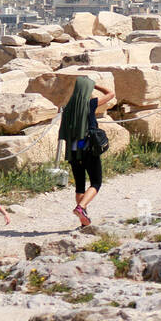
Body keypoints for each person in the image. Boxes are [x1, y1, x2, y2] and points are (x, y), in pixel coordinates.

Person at [58, 75, 116, 228]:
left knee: (79, 185)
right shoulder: (90, 104)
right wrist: (95, 85)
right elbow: (111, 94)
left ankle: (83, 220)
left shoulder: (68, 108)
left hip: (73, 150)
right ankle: (81, 208)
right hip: (88, 148)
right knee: (96, 182)